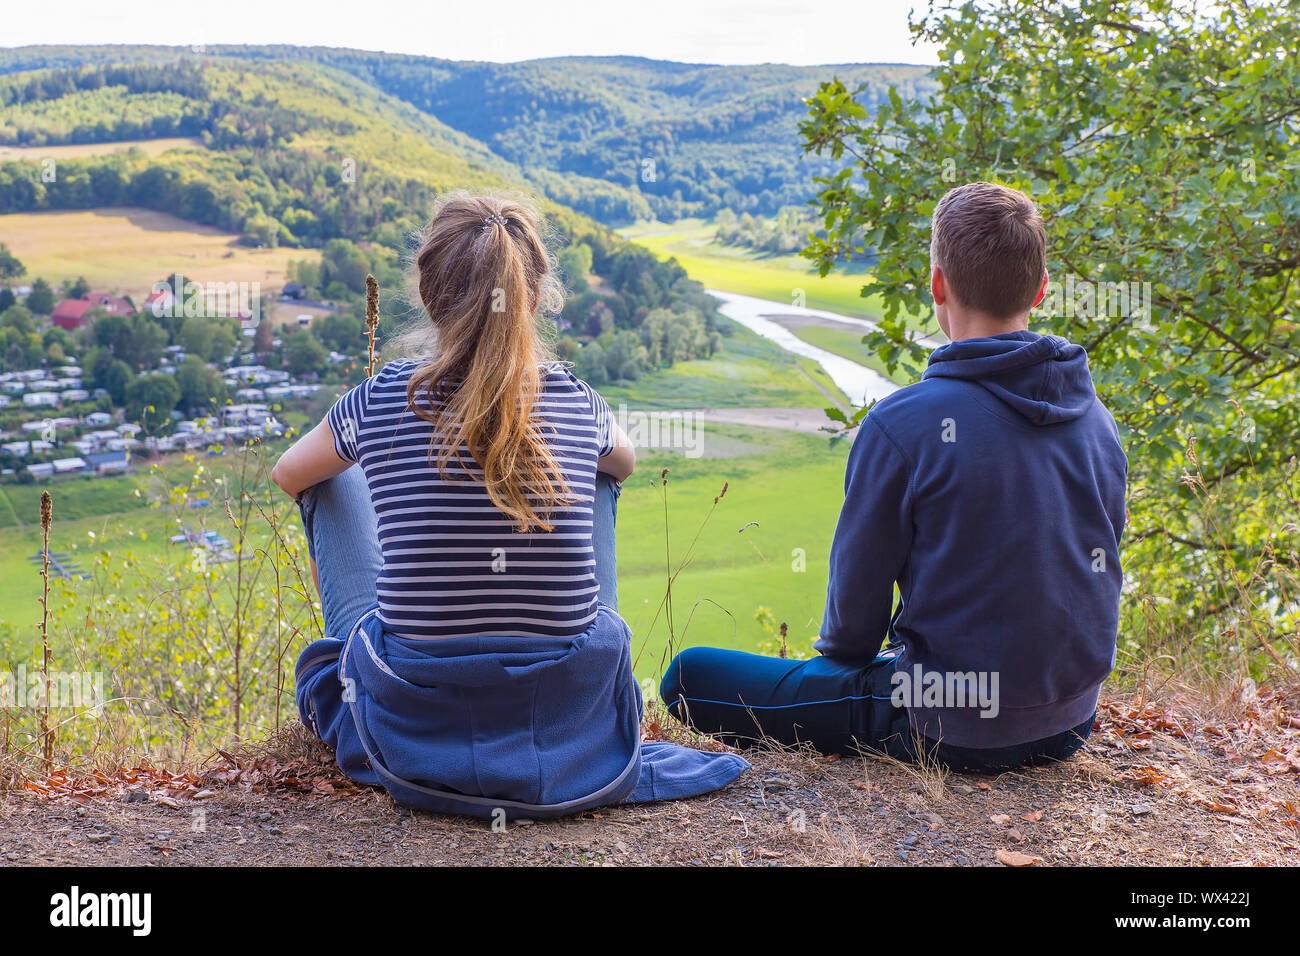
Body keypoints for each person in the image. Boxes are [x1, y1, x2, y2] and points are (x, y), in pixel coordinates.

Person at [272, 193, 747, 817]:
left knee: (328, 481)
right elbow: (624, 463)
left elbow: (288, 474)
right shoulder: (578, 401)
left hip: (415, 715)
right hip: (565, 718)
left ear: (426, 290)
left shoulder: (384, 395)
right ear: (536, 289)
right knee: (600, 475)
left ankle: (372, 654)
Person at [660, 182, 1128, 772]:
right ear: (1039, 289)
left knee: (687, 677)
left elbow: (851, 633)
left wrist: (855, 667)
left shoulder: (903, 422)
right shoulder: (1095, 418)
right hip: (1070, 721)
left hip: (946, 728)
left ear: (938, 285)